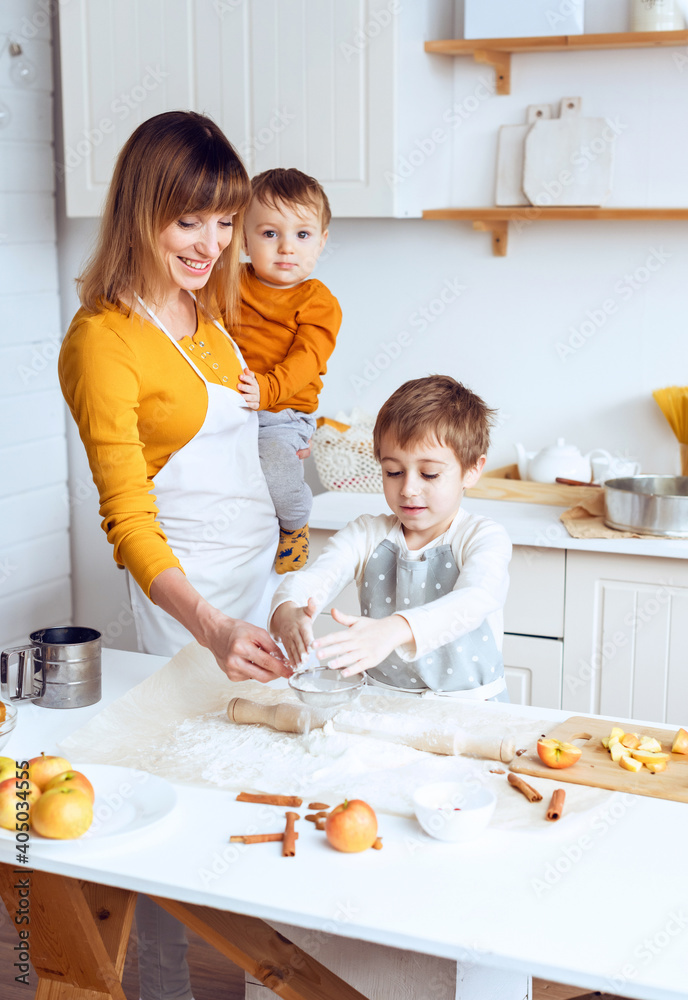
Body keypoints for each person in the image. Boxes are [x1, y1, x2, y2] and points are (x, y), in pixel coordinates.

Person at [58, 110, 295, 1000]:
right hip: (187, 601)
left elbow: (256, 440)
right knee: (183, 808)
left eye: (226, 220)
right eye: (189, 219)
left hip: (255, 583)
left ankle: (240, 983)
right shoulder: (101, 343)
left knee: (246, 798)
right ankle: (161, 988)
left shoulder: (207, 309)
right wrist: (207, 623)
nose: (212, 242)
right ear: (142, 208)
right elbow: (128, 518)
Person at [270, 375, 512, 700]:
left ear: (472, 469)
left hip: (471, 711)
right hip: (384, 706)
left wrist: (394, 629)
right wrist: (288, 610)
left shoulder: (483, 537)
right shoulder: (367, 534)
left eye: (429, 473)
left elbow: (473, 600)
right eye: (393, 472)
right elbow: (316, 577)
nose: (409, 489)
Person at [233, 168, 342, 574]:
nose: (286, 248)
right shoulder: (229, 283)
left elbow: (305, 361)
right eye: (269, 233)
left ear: (321, 241)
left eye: (302, 234)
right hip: (234, 406)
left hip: (282, 412)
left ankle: (295, 524)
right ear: (243, 239)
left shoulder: (318, 302)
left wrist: (267, 390)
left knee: (277, 465)